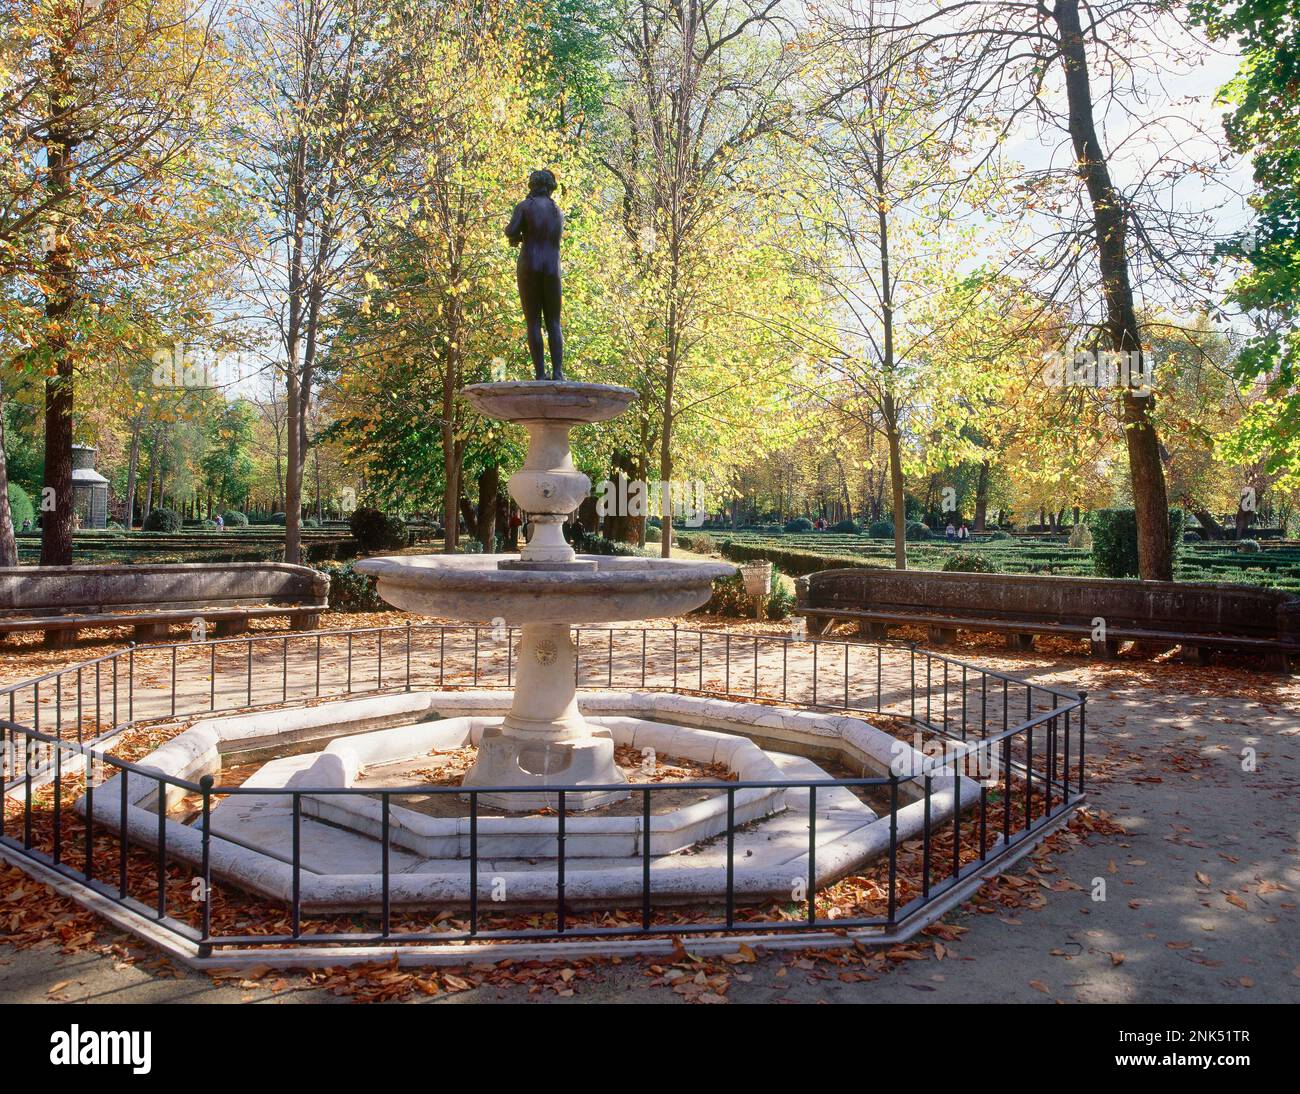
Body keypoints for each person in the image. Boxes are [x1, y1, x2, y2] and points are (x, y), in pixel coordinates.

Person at [505, 169, 564, 380]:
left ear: (532, 185)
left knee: (533, 323)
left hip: (529, 265)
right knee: (554, 322)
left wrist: (518, 236)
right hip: (552, 268)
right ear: (550, 187)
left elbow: (511, 230)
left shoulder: (524, 206)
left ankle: (540, 374)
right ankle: (557, 372)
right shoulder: (558, 211)